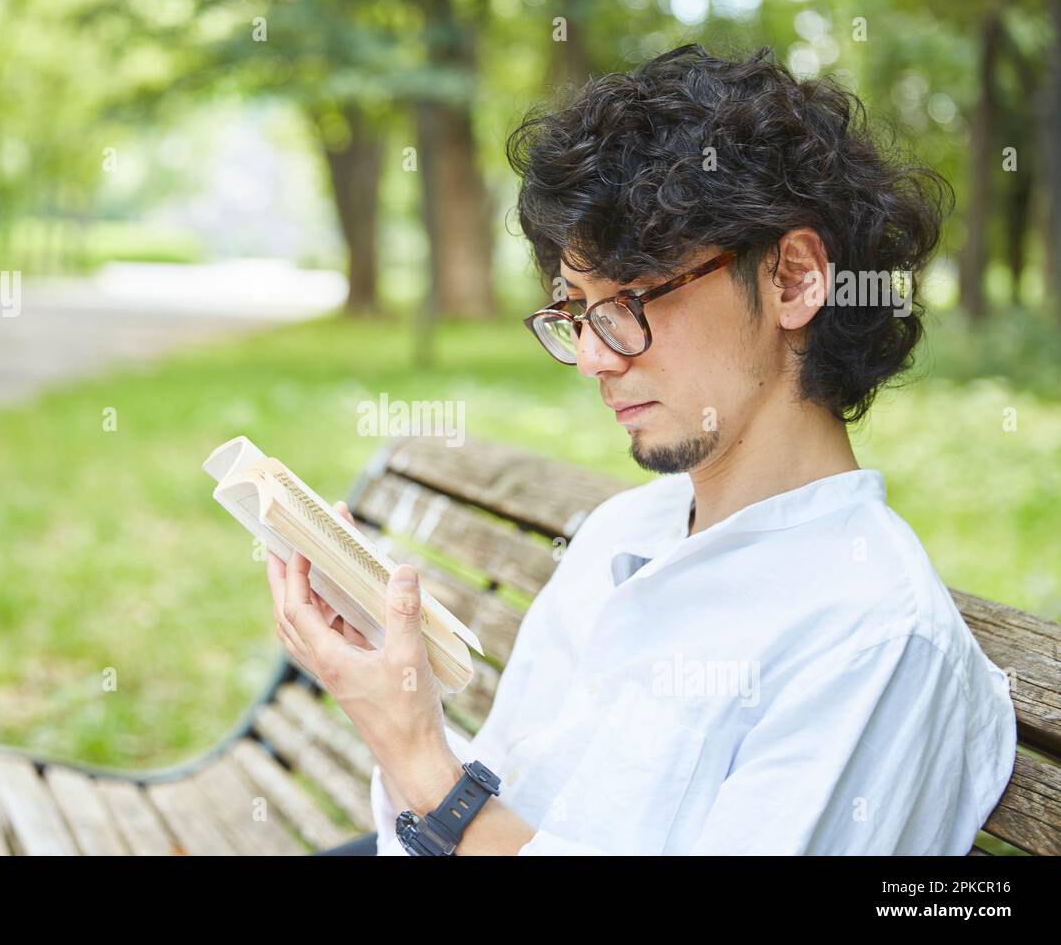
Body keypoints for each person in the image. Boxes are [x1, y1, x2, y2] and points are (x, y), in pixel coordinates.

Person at [271, 44, 1017, 855]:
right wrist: (397, 688)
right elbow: (506, 797)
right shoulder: (624, 532)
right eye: (577, 312)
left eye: (627, 300)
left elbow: (456, 803)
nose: (595, 356)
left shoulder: (871, 641)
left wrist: (415, 752)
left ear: (795, 278)